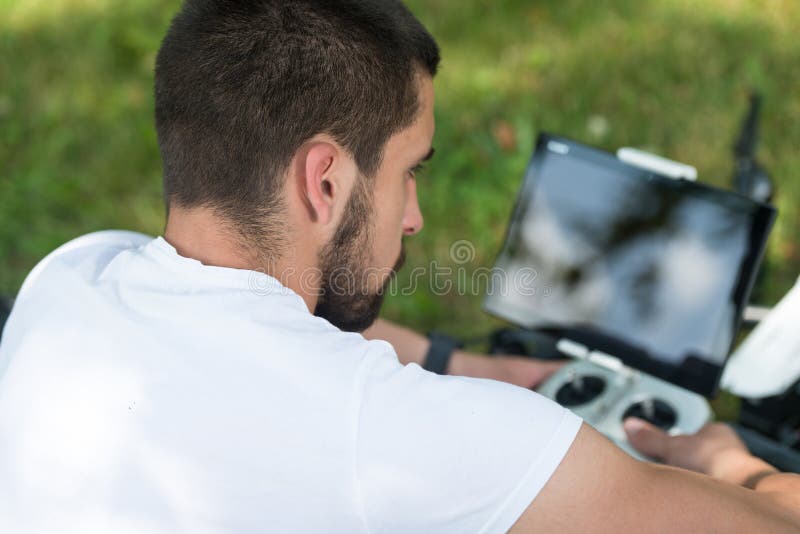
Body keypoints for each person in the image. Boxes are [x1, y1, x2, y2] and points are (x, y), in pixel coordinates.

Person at [0, 0, 798, 531]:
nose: (415, 215)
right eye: (409, 170)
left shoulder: (72, 277)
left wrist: (467, 361)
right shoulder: (394, 437)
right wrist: (736, 466)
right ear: (325, 181)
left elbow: (263, 323)